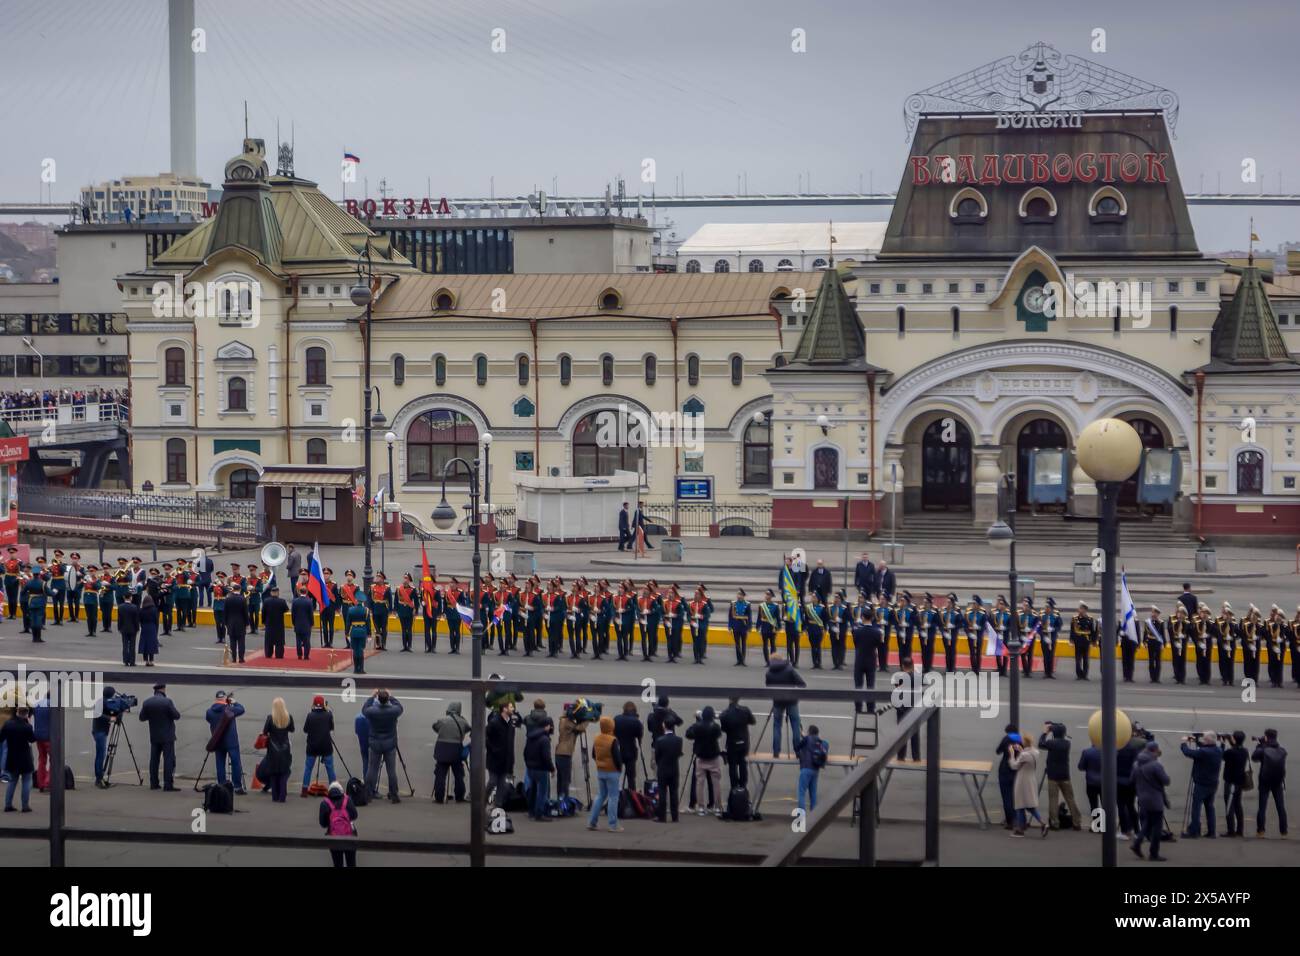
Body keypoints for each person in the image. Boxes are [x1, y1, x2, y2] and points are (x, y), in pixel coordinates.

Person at [1131, 740, 1171, 861]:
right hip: (1155, 799)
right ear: (1154, 750)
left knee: (1147, 823)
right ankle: (1153, 854)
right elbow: (1166, 781)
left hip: (1142, 798)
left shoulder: (1136, 764)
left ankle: (1137, 844)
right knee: (1157, 828)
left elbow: (1132, 779)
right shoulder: (1155, 765)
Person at [1038, 722, 1082, 830]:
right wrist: (1057, 728)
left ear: (1054, 733)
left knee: (1053, 799)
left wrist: (1045, 733)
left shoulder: (1051, 743)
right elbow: (1063, 735)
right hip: (1065, 774)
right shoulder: (1067, 743)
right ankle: (1077, 822)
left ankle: (1054, 823)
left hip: (1053, 775)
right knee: (1070, 798)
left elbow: (1040, 744)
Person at [1179, 731, 1223, 838]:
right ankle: (1211, 831)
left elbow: (1188, 753)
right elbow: (1205, 748)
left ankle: (1194, 831)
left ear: (1207, 741)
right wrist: (1197, 741)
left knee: (1196, 807)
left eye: (1204, 739)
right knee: (1209, 807)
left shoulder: (1203, 752)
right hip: (1213, 783)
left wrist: (1184, 743)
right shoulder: (1218, 750)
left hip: (1202, 783)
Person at [362, 690, 403, 803]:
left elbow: (364, 709)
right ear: (387, 699)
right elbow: (400, 707)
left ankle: (368, 794)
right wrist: (391, 696)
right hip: (390, 744)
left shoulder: (372, 711)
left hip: (375, 743)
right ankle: (394, 795)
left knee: (372, 769)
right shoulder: (393, 711)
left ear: (378, 699)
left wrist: (371, 697)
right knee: (391, 771)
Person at [138, 682, 180, 791]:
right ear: (163, 689)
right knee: (168, 760)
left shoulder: (147, 702)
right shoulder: (167, 702)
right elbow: (176, 715)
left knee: (154, 760)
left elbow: (142, 718)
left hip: (154, 735)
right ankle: (168, 784)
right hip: (168, 736)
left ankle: (154, 783)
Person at [586, 715, 624, 832]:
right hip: (612, 771)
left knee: (601, 796)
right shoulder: (613, 740)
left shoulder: (597, 738)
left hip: (600, 770)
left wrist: (600, 763)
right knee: (613, 797)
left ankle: (592, 822)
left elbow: (593, 754)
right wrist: (619, 768)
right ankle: (613, 825)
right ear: (611, 726)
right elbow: (617, 757)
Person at [204, 691, 246, 793]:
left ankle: (221, 785)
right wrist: (234, 702)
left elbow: (209, 720)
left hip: (218, 741)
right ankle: (237, 786)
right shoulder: (230, 709)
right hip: (231, 741)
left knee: (220, 764)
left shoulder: (209, 712)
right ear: (224, 699)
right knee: (236, 763)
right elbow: (241, 709)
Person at [765, 653, 805, 757]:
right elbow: (802, 684)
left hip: (777, 702)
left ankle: (776, 751)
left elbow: (768, 687)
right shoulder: (789, 670)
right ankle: (798, 751)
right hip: (791, 700)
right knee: (795, 725)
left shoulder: (769, 673)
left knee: (777, 726)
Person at [686, 706, 723, 817]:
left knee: (699, 783)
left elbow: (689, 734)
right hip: (713, 757)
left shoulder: (697, 726)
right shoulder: (715, 727)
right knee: (716, 783)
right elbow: (719, 735)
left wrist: (697, 721)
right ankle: (717, 807)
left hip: (701, 757)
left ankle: (701, 807)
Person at [1008, 734, 1047, 837]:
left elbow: (1014, 765)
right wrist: (1021, 750)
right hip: (1031, 780)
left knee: (1020, 805)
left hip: (1022, 781)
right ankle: (1042, 823)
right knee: (1030, 805)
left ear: (1024, 742)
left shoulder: (1024, 755)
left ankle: (1020, 830)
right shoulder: (1035, 752)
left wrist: (1012, 754)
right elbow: (1028, 758)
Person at [1252, 729, 1288, 838]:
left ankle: (1261, 831)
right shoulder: (1282, 750)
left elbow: (1254, 758)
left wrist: (1260, 745)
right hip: (1277, 781)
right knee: (1280, 806)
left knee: (1262, 806)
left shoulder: (1263, 749)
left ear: (1266, 737)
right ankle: (1284, 832)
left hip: (1265, 780)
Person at [485, 700, 520, 810]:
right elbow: (486, 737)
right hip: (494, 759)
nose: (513, 709)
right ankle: (482, 801)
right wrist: (493, 750)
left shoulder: (511, 723)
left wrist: (511, 759)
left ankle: (497, 807)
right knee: (492, 782)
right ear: (504, 709)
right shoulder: (495, 722)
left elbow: (510, 742)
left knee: (503, 785)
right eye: (511, 707)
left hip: (507, 760)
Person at [432, 702, 470, 803]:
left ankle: (439, 797)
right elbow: (468, 729)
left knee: (440, 774)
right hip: (456, 749)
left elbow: (435, 727)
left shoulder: (442, 720)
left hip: (442, 749)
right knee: (458, 775)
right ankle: (459, 797)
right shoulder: (463, 721)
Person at [1, 706, 35, 812]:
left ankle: (8, 804)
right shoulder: (27, 727)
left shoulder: (8, 724)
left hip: (12, 757)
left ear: (17, 712)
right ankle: (25, 806)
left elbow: (1, 738)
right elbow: (32, 739)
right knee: (27, 781)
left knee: (12, 781)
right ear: (26, 714)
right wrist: (29, 723)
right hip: (25, 757)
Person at [262, 697, 295, 803]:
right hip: (285, 748)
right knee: (284, 772)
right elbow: (292, 729)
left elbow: (265, 731)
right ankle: (282, 796)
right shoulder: (288, 717)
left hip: (273, 747)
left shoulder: (270, 718)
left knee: (274, 772)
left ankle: (275, 796)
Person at [301, 696, 336, 796]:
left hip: (312, 746)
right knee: (330, 768)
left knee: (308, 768)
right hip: (326, 745)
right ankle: (333, 789)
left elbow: (305, 730)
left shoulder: (310, 715)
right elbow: (331, 728)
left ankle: (304, 789)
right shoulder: (329, 715)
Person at [320, 780, 359, 867]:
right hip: (350, 836)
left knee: (337, 863)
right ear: (341, 791)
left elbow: (323, 823)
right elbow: (354, 815)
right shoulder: (347, 799)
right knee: (351, 863)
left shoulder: (325, 803)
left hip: (334, 837)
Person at [719, 697, 755, 790]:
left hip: (732, 743)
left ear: (729, 700)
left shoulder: (724, 714)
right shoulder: (745, 710)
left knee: (733, 766)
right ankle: (743, 786)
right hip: (744, 742)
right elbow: (752, 721)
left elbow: (724, 729)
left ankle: (734, 787)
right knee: (743, 764)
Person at [523, 717, 555, 821]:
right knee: (542, 792)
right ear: (547, 726)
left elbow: (525, 752)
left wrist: (528, 764)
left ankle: (531, 811)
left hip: (531, 768)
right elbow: (546, 756)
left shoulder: (531, 736)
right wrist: (552, 768)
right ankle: (539, 814)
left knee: (533, 790)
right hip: (541, 768)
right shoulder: (544, 739)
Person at [555, 705, 589, 800]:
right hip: (564, 754)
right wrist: (587, 718)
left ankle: (560, 800)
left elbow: (576, 731)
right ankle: (564, 801)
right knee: (565, 780)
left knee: (561, 779)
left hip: (560, 753)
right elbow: (580, 728)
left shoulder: (564, 721)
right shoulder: (567, 722)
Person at [652, 721, 683, 822]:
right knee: (674, 792)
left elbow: (657, 756)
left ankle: (662, 816)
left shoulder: (659, 740)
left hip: (663, 768)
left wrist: (660, 763)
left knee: (662, 792)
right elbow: (679, 753)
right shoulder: (679, 740)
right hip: (674, 768)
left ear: (664, 725)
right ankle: (675, 816)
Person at [1220, 730, 1249, 838]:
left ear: (1234, 739)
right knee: (1238, 805)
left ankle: (1231, 830)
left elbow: (1221, 755)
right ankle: (1240, 830)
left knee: (1229, 807)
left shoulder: (1230, 752)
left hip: (1231, 782)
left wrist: (1223, 743)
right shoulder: (1244, 751)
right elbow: (1235, 747)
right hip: (1240, 782)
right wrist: (1229, 739)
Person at [894, 658, 922, 761]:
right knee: (915, 734)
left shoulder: (898, 678)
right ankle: (916, 756)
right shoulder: (917, 678)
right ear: (913, 666)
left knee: (901, 734)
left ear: (902, 666)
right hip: (914, 708)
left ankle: (901, 756)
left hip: (902, 709)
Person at [794, 724, 826, 813]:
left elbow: (797, 747)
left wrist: (803, 737)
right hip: (815, 770)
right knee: (813, 794)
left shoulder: (807, 739)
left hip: (806, 768)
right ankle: (813, 816)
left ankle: (801, 816)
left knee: (801, 793)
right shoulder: (820, 741)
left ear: (809, 732)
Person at [613, 702, 644, 790]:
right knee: (631, 779)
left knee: (617, 777)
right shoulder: (636, 722)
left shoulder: (616, 719)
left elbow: (612, 734)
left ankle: (618, 798)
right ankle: (632, 799)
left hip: (618, 751)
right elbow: (639, 737)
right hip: (631, 753)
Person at [994, 725, 1020, 829]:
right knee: (1015, 797)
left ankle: (1010, 822)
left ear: (1007, 732)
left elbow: (998, 751)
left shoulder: (1006, 739)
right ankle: (1017, 819)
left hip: (1005, 770)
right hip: (1016, 771)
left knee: (1007, 797)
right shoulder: (1021, 739)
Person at [261, 585, 289, 660]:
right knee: (279, 641)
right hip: (279, 623)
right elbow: (286, 609)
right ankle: (279, 654)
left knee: (269, 640)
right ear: (277, 593)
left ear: (271, 593)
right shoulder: (282, 601)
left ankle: (268, 654)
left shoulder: (266, 601)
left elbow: (263, 612)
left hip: (269, 623)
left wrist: (263, 621)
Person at [1078, 739, 1102, 818]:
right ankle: (1106, 825)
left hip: (1091, 782)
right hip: (1105, 783)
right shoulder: (1109, 751)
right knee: (1106, 804)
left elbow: (1081, 767)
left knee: (1093, 804)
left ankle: (1097, 824)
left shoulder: (1087, 752)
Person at [224, 585, 248, 663]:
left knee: (232, 642)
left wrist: (225, 622)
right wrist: (247, 623)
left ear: (233, 590)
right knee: (241, 642)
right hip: (241, 623)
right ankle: (241, 658)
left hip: (230, 623)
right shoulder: (243, 599)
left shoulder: (228, 599)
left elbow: (225, 612)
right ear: (240, 590)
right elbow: (245, 613)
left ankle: (234, 658)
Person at [116, 592, 140, 667]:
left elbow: (119, 619)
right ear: (130, 597)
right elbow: (136, 620)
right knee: (132, 645)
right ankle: (132, 662)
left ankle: (126, 661)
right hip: (133, 629)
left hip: (124, 628)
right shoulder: (134, 607)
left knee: (125, 645)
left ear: (124, 597)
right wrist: (137, 628)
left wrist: (119, 627)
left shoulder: (120, 607)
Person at [291, 586, 315, 660]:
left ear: (299, 592)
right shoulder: (309, 601)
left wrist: (294, 623)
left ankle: (299, 655)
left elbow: (293, 614)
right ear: (306, 592)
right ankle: (306, 656)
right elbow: (311, 614)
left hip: (297, 624)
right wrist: (312, 623)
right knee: (306, 641)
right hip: (306, 624)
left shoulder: (295, 601)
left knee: (298, 640)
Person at [137, 593, 160, 666]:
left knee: (145, 644)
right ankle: (151, 660)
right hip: (152, 627)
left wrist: (142, 625)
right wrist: (156, 628)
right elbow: (156, 620)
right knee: (151, 644)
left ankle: (146, 660)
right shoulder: (154, 609)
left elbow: (139, 619)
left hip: (144, 627)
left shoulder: (141, 610)